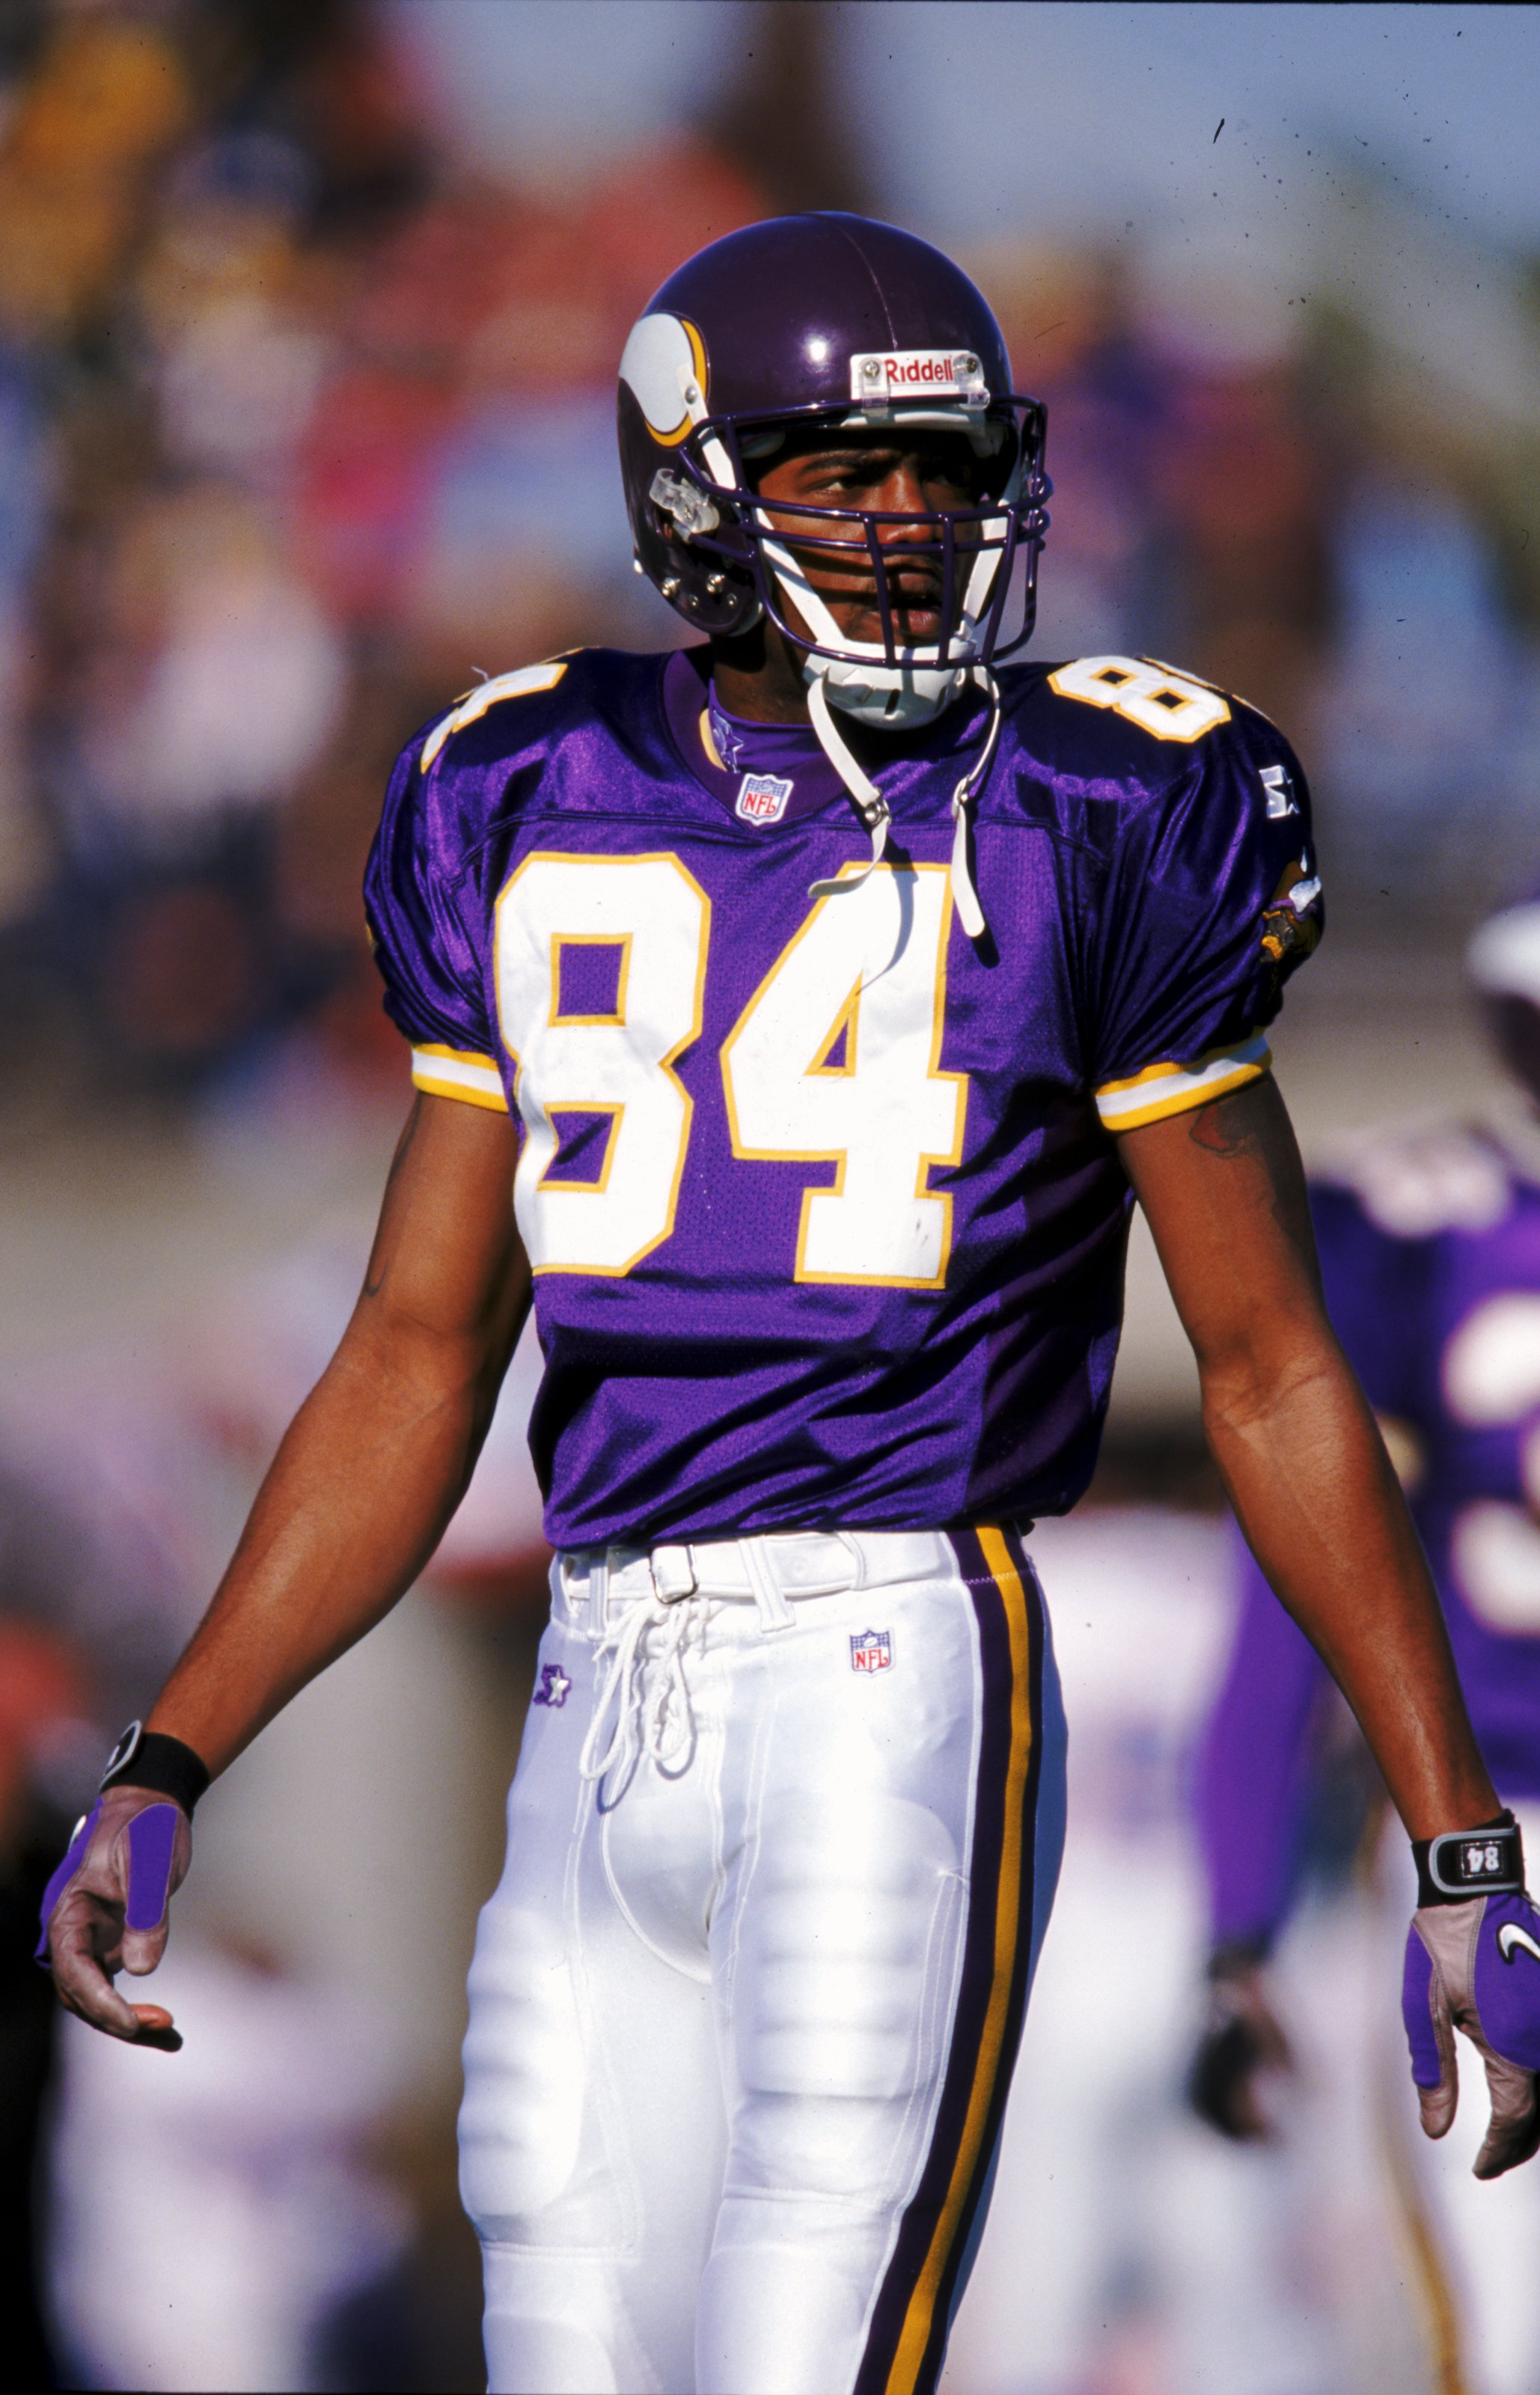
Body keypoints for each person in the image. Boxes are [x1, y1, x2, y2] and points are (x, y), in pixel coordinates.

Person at [34, 212, 1540, 2395]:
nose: (912, 523)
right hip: (593, 1677)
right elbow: (416, 1352)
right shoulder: (520, 780)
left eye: (947, 471)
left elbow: (1273, 1367)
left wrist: (1455, 1839)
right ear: (689, 490)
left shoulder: (1102, 802)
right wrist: (173, 1747)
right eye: (846, 471)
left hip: (894, 1661)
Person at [1191, 893, 1540, 2395]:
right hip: (1496, 1828)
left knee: (1511, 2336)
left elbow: (1299, 1594)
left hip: (1493, 1834)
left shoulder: (1428, 1224)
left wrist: (1239, 1922)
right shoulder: (1425, 1233)